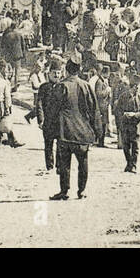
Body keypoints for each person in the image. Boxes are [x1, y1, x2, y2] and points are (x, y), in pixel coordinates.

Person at [51, 57, 97, 200]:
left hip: (65, 131)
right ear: (79, 70)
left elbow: (53, 110)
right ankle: (81, 190)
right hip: (83, 131)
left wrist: (52, 131)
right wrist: (96, 131)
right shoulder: (86, 86)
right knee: (83, 162)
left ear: (67, 70)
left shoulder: (60, 86)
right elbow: (94, 110)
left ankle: (64, 191)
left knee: (65, 162)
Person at [36, 57, 67, 173]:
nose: (56, 75)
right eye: (54, 73)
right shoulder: (44, 87)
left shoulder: (63, 87)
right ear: (49, 74)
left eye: (58, 73)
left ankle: (59, 166)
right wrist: (40, 119)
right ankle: (49, 166)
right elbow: (39, 104)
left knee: (60, 145)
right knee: (48, 144)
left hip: (60, 121)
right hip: (48, 121)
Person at [112, 70, 140, 173]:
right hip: (125, 124)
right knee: (126, 146)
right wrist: (124, 115)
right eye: (137, 87)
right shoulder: (123, 96)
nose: (139, 89)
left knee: (135, 146)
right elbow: (117, 109)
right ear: (134, 86)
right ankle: (128, 163)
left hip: (135, 125)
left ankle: (134, 165)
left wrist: (135, 114)